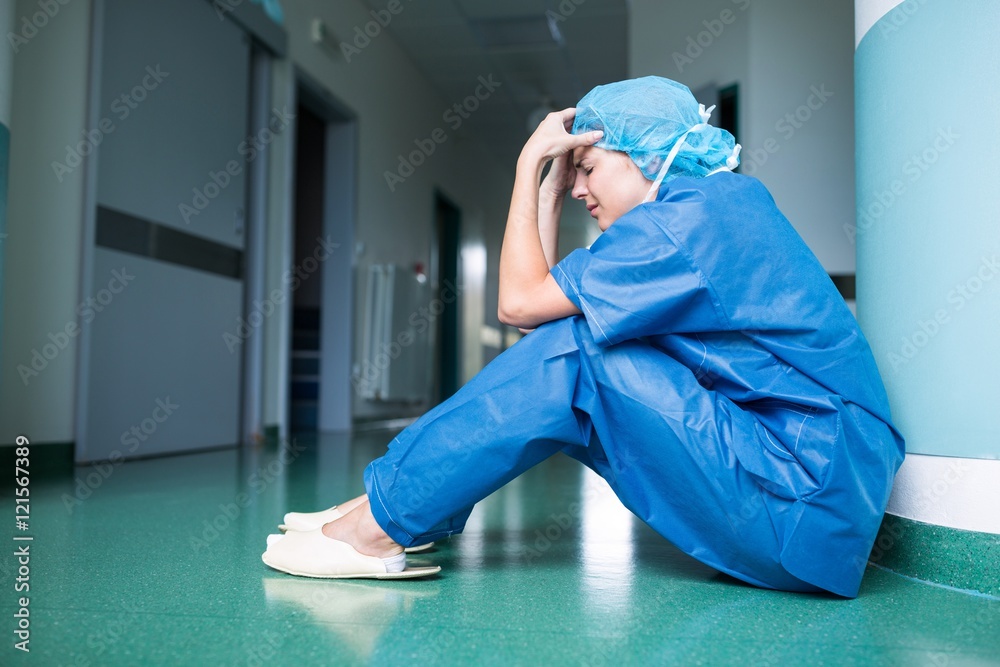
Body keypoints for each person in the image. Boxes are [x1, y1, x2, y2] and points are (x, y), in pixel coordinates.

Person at [262, 76, 905, 597]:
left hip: (803, 503)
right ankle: (399, 508)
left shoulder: (688, 223)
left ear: (648, 156)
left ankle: (378, 523)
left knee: (578, 356)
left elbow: (519, 304)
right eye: (569, 172)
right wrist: (548, 184)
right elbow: (538, 305)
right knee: (578, 343)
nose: (576, 188)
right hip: (815, 499)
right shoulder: (708, 208)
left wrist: (525, 167)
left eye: (587, 167)